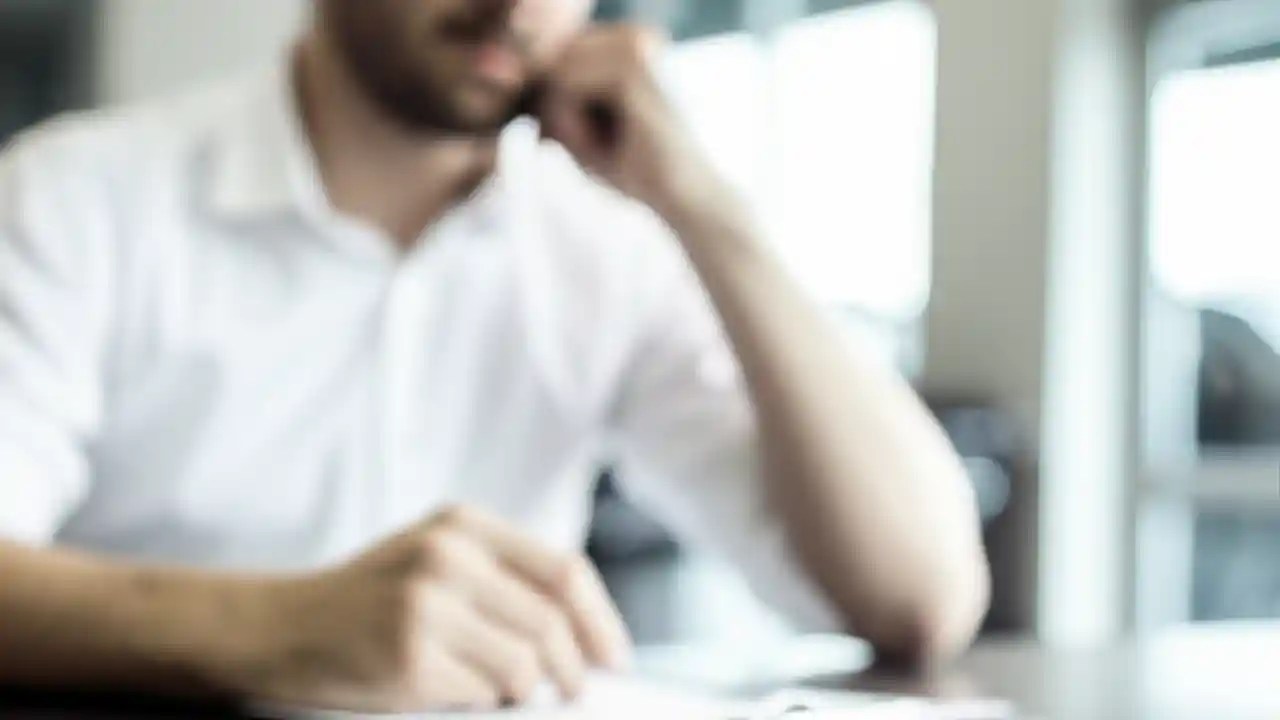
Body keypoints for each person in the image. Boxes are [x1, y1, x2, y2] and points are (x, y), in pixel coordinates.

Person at [0, 0, 989, 713]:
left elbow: (920, 600)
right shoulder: (74, 201)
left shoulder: (608, 243)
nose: (519, 6)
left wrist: (703, 205)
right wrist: (278, 628)